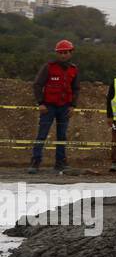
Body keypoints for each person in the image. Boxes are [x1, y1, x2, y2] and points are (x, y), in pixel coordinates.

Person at [31, 39, 79, 174]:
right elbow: (37, 85)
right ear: (57, 54)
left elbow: (76, 89)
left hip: (64, 108)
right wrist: (40, 103)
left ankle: (60, 163)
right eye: (61, 53)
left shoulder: (73, 70)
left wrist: (72, 105)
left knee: (62, 136)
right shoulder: (48, 67)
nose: (63, 55)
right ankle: (35, 162)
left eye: (66, 53)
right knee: (42, 134)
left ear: (71, 53)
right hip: (48, 107)